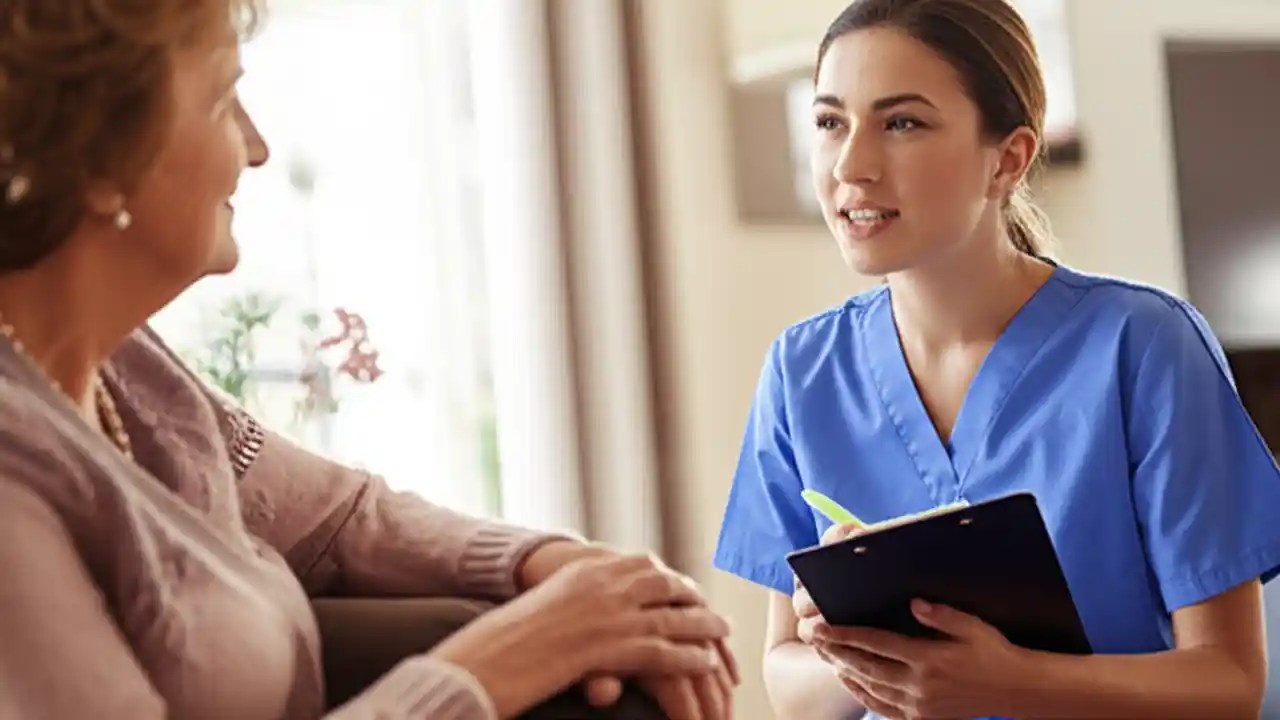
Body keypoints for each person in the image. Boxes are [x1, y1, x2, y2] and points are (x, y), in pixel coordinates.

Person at [0, 2, 738, 719]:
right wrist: (494, 664)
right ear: (101, 158)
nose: (256, 147)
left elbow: (340, 519)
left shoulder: (126, 369)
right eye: (225, 100)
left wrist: (555, 568)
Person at [712, 0, 1280, 718]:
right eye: (830, 122)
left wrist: (1007, 682)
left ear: (1007, 158)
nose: (851, 165)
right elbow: (785, 678)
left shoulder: (1146, 348)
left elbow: (1227, 683)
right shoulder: (803, 372)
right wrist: (854, 650)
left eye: (902, 123)